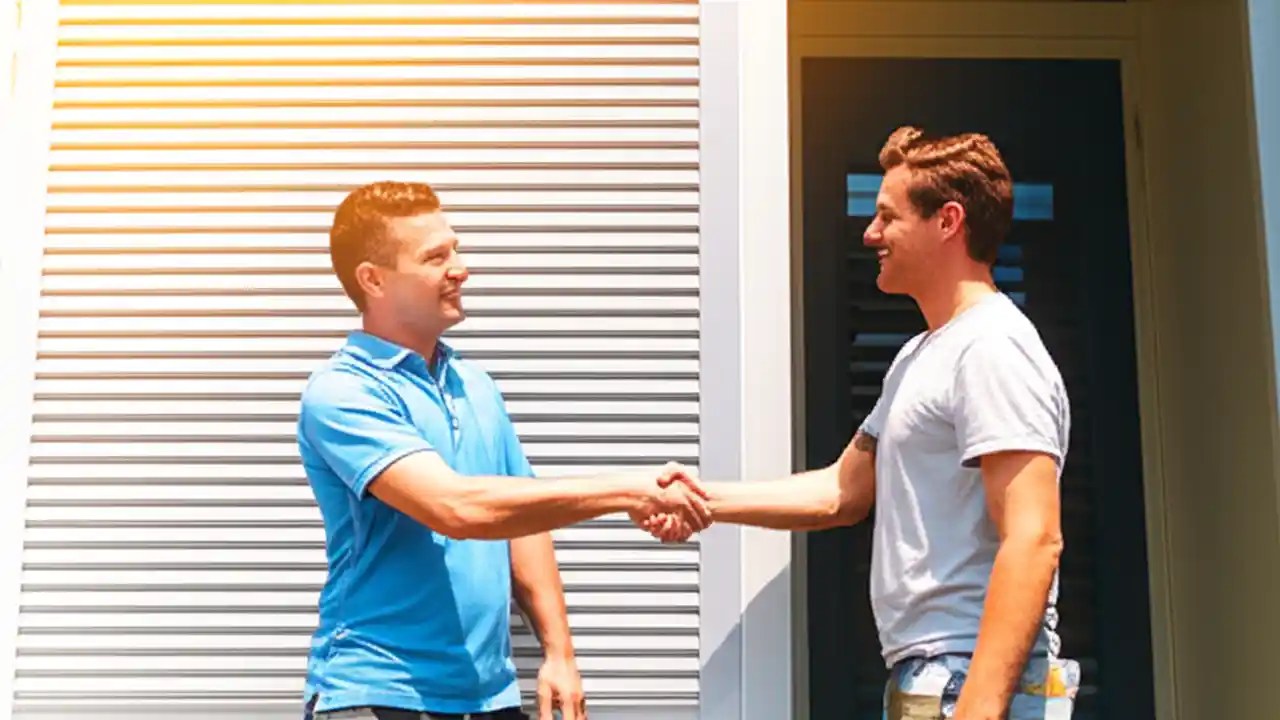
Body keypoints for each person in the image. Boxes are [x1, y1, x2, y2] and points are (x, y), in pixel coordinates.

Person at [648, 127, 1079, 719]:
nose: (870, 233)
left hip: (967, 678)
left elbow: (1034, 538)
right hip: (931, 675)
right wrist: (701, 500)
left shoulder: (993, 349)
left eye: (887, 217)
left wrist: (978, 709)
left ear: (948, 221)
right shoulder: (920, 357)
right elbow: (841, 491)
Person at [297, 181, 709, 720]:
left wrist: (560, 652)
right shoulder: (343, 392)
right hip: (379, 692)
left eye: (456, 250)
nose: (461, 269)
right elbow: (456, 508)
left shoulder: (474, 385)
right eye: (435, 257)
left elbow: (525, 521)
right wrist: (629, 491)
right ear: (373, 279)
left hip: (489, 697)